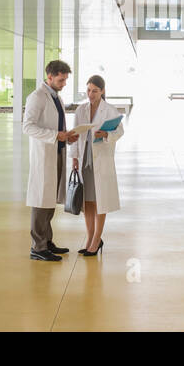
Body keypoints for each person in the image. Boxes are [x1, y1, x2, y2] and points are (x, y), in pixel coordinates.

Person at [21, 60, 79, 261]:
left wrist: (67, 137)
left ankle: (47, 241)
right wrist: (55, 135)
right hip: (44, 155)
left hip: (57, 152)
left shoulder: (56, 98)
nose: (63, 84)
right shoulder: (37, 97)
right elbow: (27, 127)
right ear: (50, 77)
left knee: (49, 200)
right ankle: (37, 247)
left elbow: (56, 124)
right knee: (40, 200)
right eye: (61, 80)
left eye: (65, 80)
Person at [69, 75, 124, 256]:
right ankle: (90, 236)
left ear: (102, 91)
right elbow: (76, 135)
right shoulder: (81, 110)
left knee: (101, 200)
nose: (91, 94)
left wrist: (106, 135)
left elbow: (119, 130)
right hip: (85, 159)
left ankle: (96, 239)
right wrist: (74, 157)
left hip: (101, 159)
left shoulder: (109, 110)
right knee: (88, 201)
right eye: (89, 90)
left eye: (95, 91)